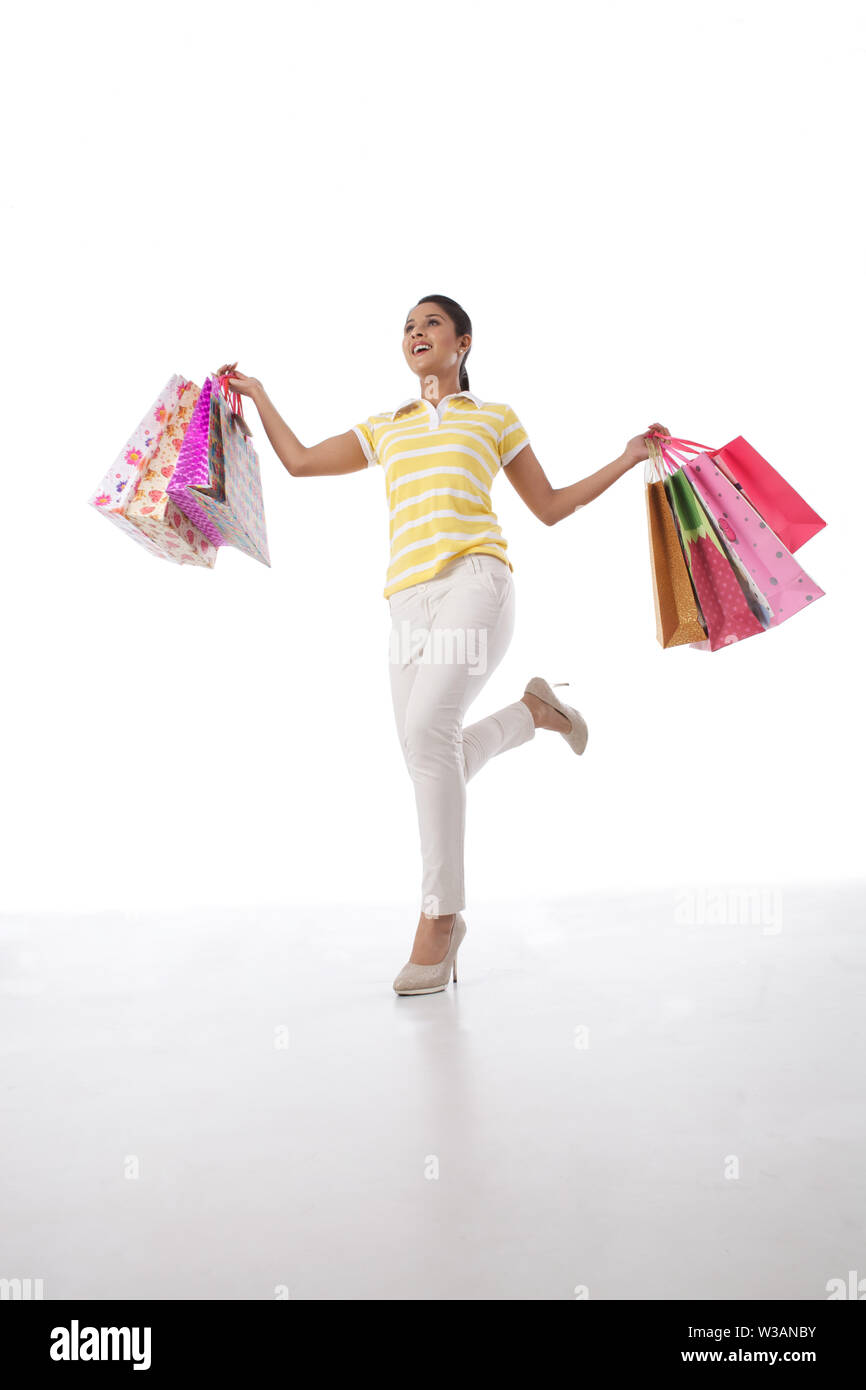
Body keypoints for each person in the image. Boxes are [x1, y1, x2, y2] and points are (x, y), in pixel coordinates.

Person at [215, 295, 669, 997]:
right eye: (407, 326)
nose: (416, 333)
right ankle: (533, 714)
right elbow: (301, 462)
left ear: (463, 341)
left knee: (428, 735)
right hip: (406, 603)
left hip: (475, 581)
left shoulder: (492, 418)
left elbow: (548, 508)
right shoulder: (387, 426)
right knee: (432, 754)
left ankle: (441, 918)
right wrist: (259, 394)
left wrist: (624, 458)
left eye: (431, 323)